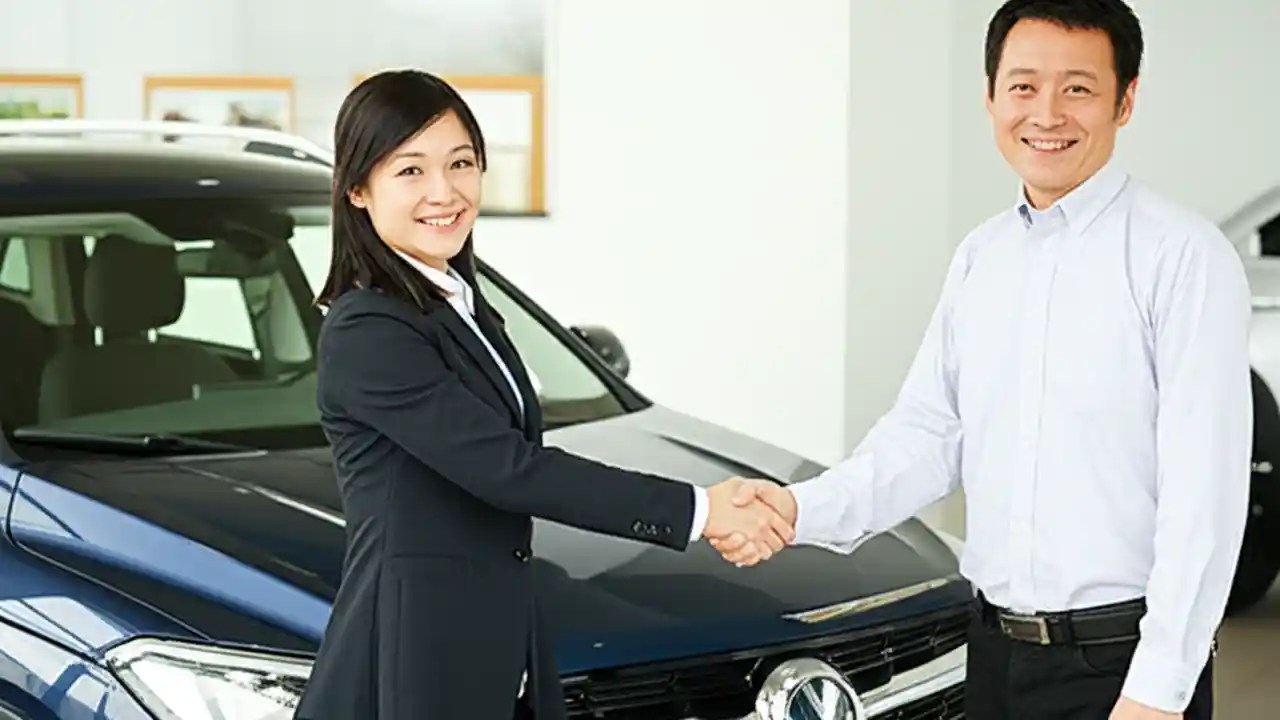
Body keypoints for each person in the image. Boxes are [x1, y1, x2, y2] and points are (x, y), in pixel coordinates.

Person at [713, 1, 1251, 718]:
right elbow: (927, 439)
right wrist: (796, 508)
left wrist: (1157, 689)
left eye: (1079, 89)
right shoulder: (981, 258)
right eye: (1024, 86)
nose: (1048, 114)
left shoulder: (1182, 257)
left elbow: (1204, 500)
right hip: (991, 656)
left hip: (1118, 669)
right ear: (991, 96)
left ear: (1126, 100)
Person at [292, 69, 793, 720]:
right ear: (359, 188)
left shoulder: (459, 304)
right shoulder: (368, 330)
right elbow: (508, 470)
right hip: (417, 655)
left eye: (460, 163)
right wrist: (700, 511)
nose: (443, 193)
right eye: (409, 171)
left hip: (493, 641)